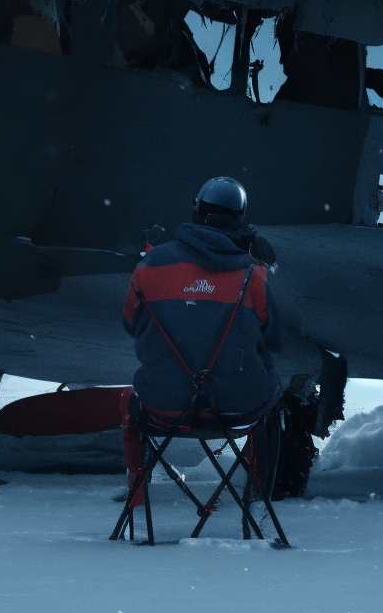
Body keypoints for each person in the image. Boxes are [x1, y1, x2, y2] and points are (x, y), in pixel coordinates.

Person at [121, 176, 283, 507]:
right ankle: (259, 498)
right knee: (272, 400)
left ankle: (136, 500)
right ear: (240, 219)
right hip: (239, 410)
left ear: (196, 213)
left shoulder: (149, 267)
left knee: (129, 403)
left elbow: (130, 324)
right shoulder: (255, 275)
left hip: (163, 409)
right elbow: (273, 340)